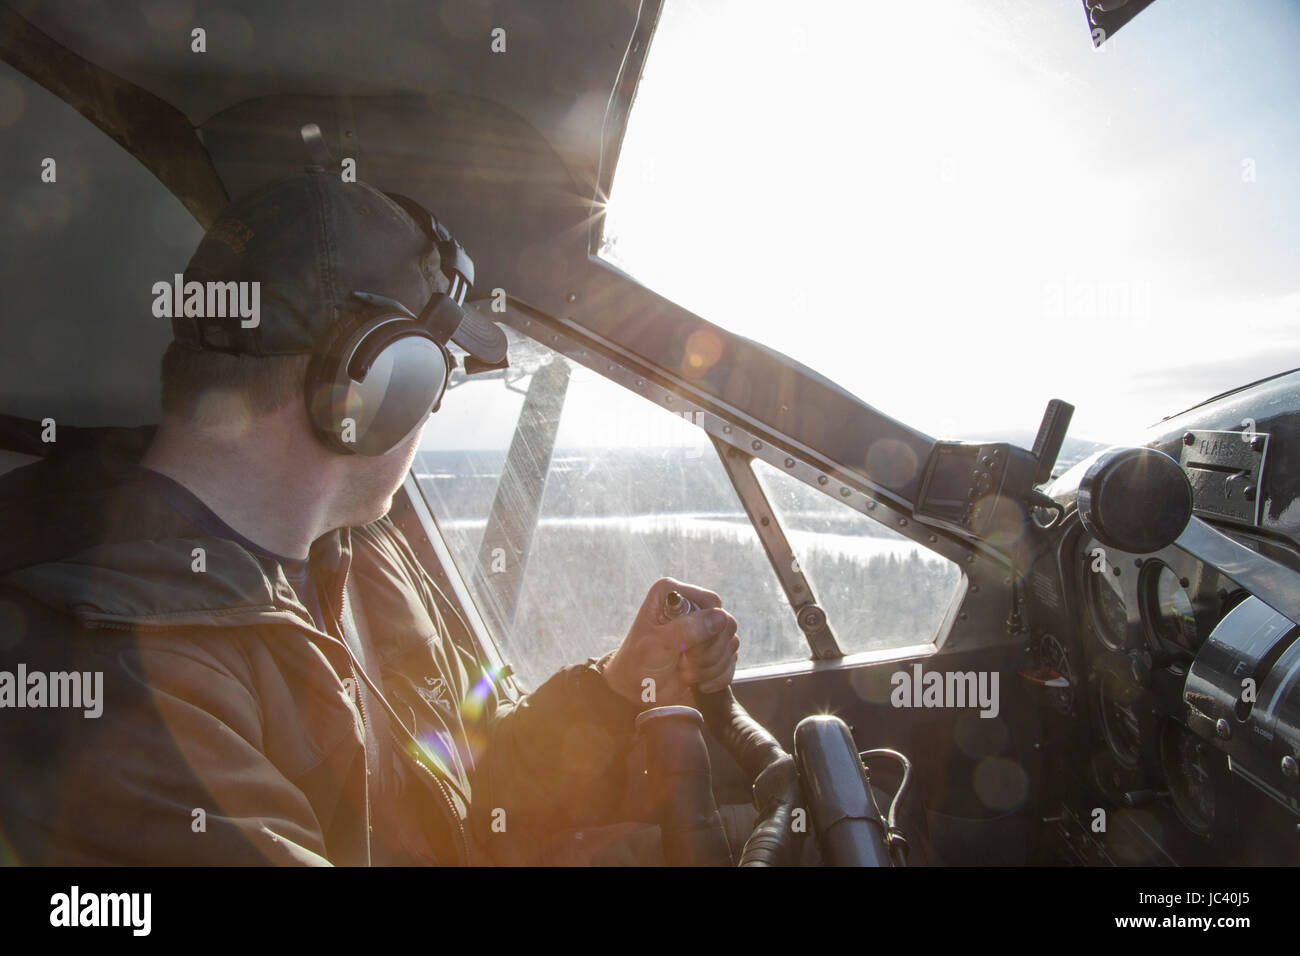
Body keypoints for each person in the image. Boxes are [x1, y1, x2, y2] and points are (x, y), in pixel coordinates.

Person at [0, 168, 740, 865]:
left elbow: (466, 777)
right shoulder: (110, 683)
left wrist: (612, 686)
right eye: (437, 377)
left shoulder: (358, 550)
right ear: (378, 387)